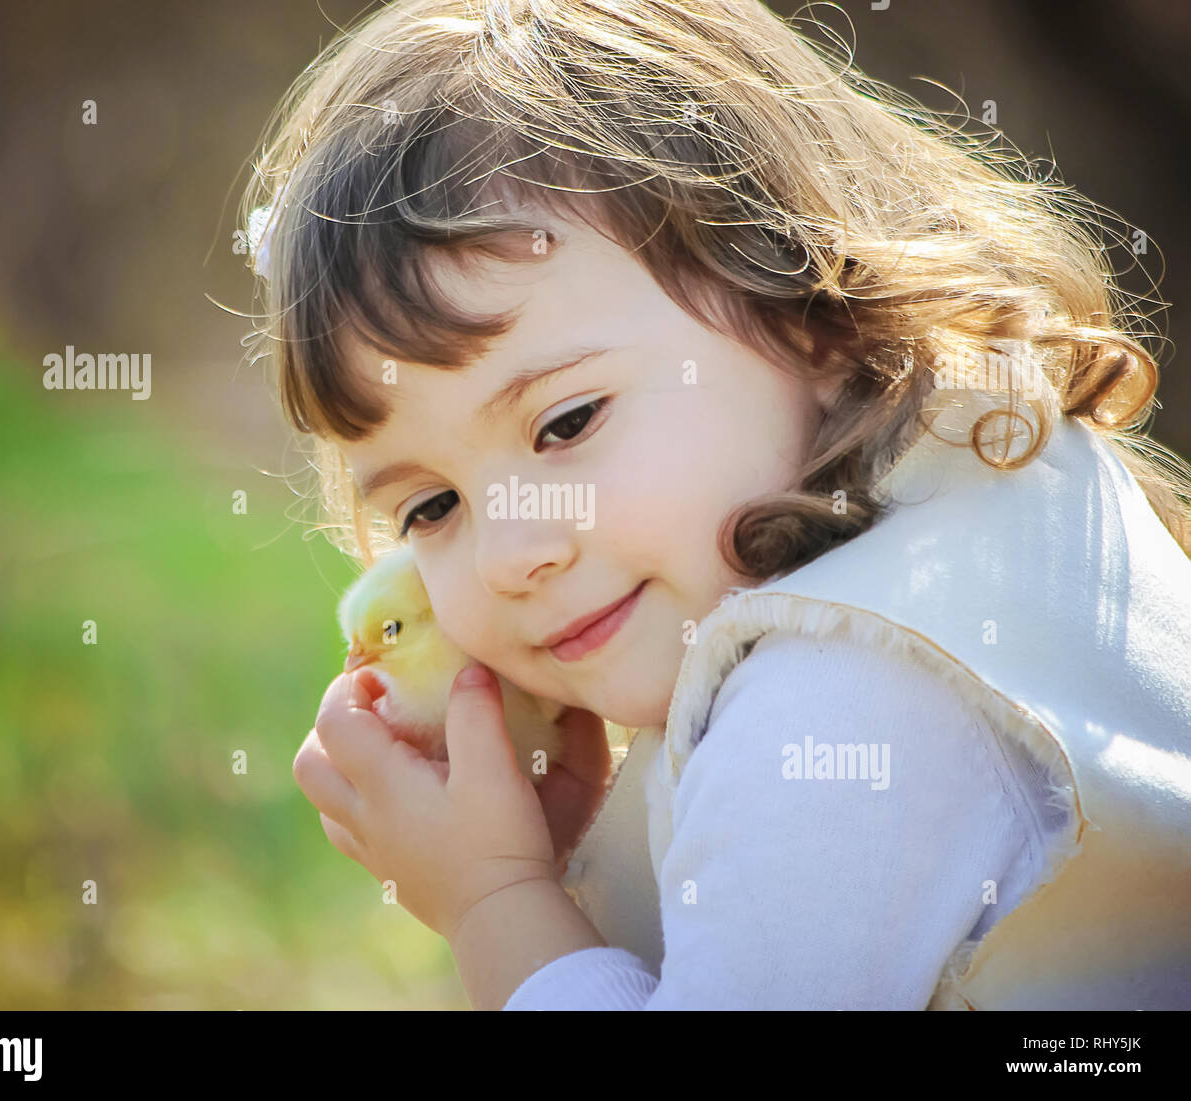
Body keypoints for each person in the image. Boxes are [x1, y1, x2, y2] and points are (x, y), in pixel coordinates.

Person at [261, 0, 1191, 1008]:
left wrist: (494, 901)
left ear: (809, 306)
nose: (504, 558)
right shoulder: (991, 489)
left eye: (566, 423)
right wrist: (588, 859)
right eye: (432, 507)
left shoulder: (833, 703)